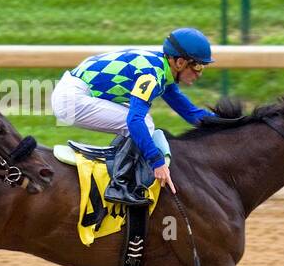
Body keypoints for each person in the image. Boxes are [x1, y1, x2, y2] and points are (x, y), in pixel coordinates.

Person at [51, 28, 215, 202]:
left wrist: (230, 123)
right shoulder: (152, 75)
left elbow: (190, 112)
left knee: (143, 122)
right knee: (143, 122)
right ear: (180, 62)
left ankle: (120, 178)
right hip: (71, 100)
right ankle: (119, 187)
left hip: (76, 91)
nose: (200, 73)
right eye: (197, 65)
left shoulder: (163, 68)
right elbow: (134, 121)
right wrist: (157, 162)